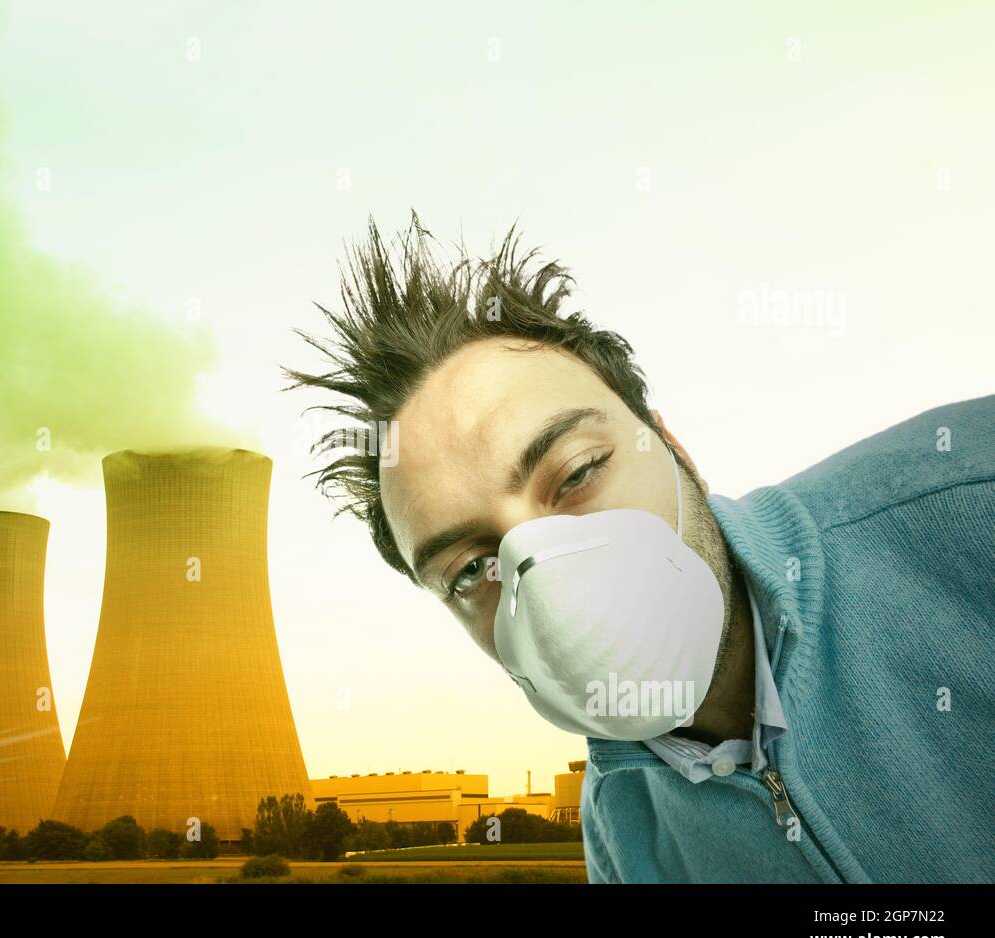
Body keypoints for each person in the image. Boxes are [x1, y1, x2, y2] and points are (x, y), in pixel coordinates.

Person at [282, 215, 995, 883]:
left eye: (578, 474)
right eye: (471, 569)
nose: (547, 572)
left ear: (674, 448)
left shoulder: (970, 506)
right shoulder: (621, 833)